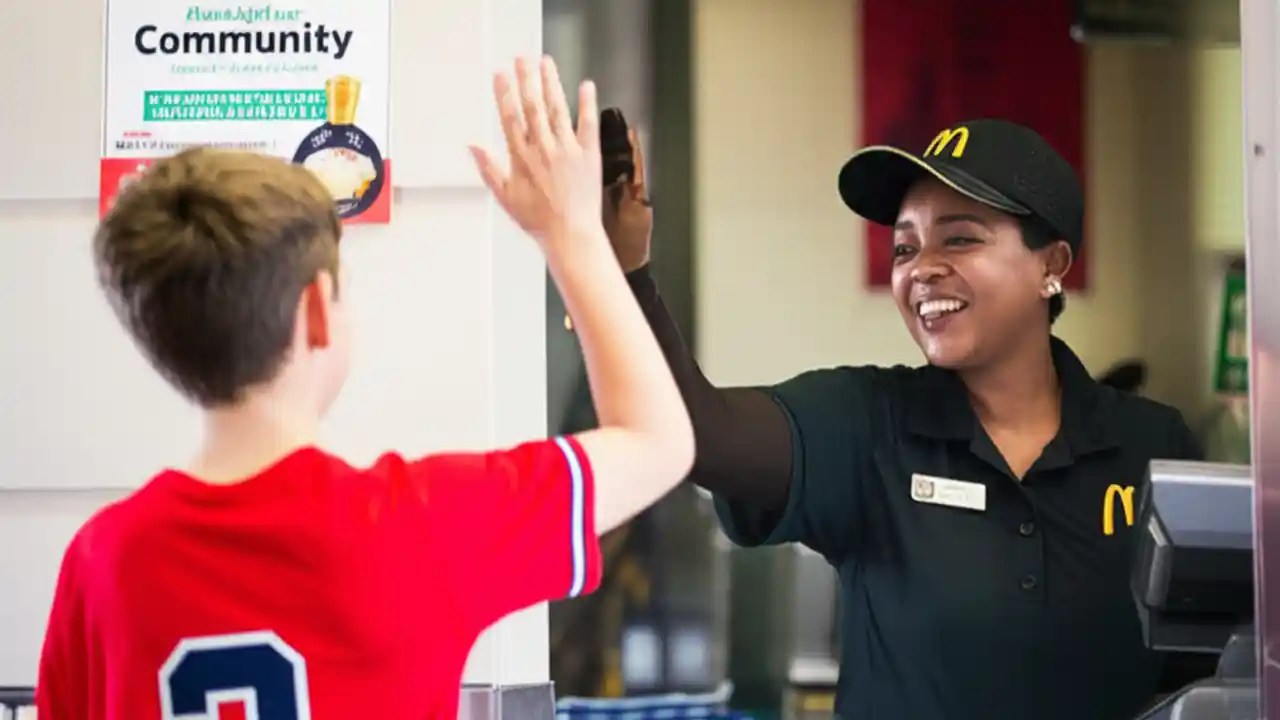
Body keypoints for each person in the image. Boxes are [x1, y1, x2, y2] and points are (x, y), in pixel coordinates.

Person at [35, 56, 693, 720]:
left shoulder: (103, 563)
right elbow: (659, 442)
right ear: (318, 310)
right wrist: (572, 233)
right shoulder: (423, 524)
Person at [604, 116, 1205, 720]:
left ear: (1052, 263)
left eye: (960, 238)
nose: (922, 268)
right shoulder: (868, 426)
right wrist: (618, 269)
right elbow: (696, 430)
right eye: (904, 247)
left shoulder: (1153, 446)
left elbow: (1206, 679)